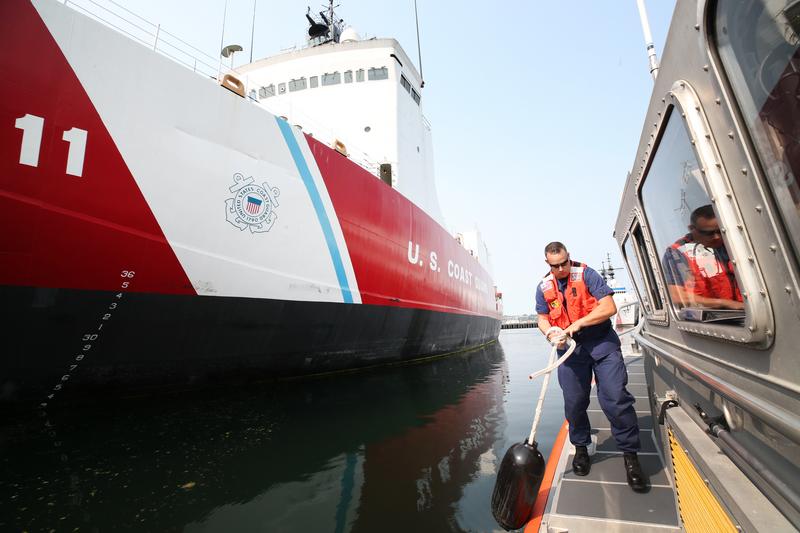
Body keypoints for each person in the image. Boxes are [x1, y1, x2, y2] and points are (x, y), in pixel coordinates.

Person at [535, 242, 648, 492]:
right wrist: (550, 333)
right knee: (574, 403)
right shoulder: (543, 287)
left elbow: (609, 307)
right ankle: (581, 448)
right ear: (548, 264)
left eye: (564, 262)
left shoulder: (587, 274)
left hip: (601, 345)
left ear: (569, 257)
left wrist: (579, 324)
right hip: (571, 352)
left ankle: (630, 455)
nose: (562, 268)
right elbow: (542, 318)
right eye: (556, 265)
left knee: (616, 398)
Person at [662, 205, 743, 310]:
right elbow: (678, 297)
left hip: (743, 312)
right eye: (709, 233)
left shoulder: (732, 243)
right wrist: (725, 303)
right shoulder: (676, 254)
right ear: (692, 229)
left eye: (720, 231)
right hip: (712, 318)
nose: (717, 237)